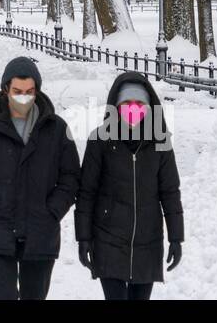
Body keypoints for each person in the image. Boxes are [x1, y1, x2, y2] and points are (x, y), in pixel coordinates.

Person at [0, 57, 80, 300]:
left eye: (29, 92)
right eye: (17, 92)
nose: (23, 97)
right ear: (5, 90)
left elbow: (71, 177)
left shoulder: (56, 129)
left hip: (40, 233)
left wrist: (52, 210)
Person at [75, 72, 184, 300]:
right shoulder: (100, 141)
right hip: (107, 238)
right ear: (116, 105)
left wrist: (176, 237)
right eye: (126, 103)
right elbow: (87, 193)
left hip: (148, 240)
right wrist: (83, 237)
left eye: (138, 103)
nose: (132, 108)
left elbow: (170, 192)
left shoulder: (160, 141)